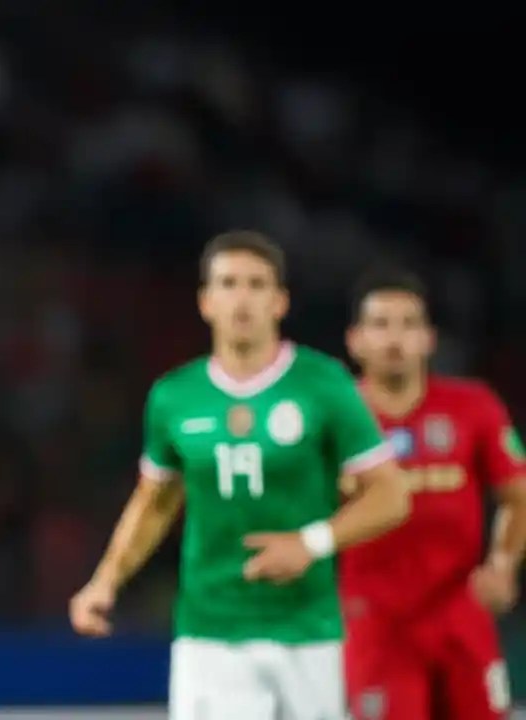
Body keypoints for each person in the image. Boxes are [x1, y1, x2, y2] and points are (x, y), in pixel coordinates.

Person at [69, 230, 412, 720]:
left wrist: (310, 543)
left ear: (280, 302)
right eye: (229, 284)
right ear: (206, 302)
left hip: (306, 629)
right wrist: (105, 582)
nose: (242, 298)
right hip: (210, 633)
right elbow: (156, 501)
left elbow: (393, 494)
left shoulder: (323, 383)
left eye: (257, 284)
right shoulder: (175, 396)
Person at [340, 268, 526, 720]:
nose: (395, 339)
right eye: (381, 325)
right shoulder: (334, 418)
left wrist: (502, 565)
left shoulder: (473, 406)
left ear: (429, 339)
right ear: (355, 340)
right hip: (373, 622)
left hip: (461, 614)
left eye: (408, 325)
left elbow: (518, 494)